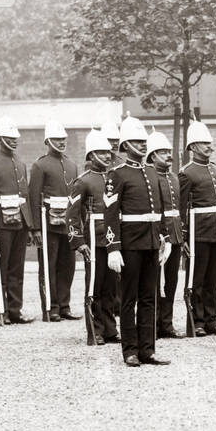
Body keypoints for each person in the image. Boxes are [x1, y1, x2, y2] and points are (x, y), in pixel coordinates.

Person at [105, 116, 170, 367]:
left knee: (148, 298)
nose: (142, 146)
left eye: (143, 142)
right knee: (129, 299)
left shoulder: (152, 172)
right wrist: (113, 247)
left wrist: (164, 239)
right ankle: (130, 351)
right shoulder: (117, 174)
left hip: (152, 243)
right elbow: (111, 212)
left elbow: (160, 211)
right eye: (136, 142)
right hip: (130, 244)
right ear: (124, 146)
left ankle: (147, 349)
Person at [0, 117, 36, 324]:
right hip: (1, 221)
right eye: (9, 137)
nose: (14, 141)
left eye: (15, 138)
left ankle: (15, 308)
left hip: (20, 221)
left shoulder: (20, 163)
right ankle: (1, 309)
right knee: (1, 266)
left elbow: (26, 196)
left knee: (17, 267)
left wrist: (30, 226)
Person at [69, 129, 120, 344]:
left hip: (113, 238)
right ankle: (95, 330)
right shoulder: (83, 181)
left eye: (108, 152)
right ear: (91, 156)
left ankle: (110, 329)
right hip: (94, 236)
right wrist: (78, 241)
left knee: (111, 287)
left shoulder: (115, 177)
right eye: (101, 152)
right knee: (94, 286)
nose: (107, 156)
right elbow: (71, 214)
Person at [179, 121, 216, 335]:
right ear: (192, 147)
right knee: (196, 278)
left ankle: (211, 319)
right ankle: (196, 320)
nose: (209, 146)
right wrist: (184, 238)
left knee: (212, 278)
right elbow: (181, 208)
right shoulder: (186, 173)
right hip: (198, 232)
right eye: (203, 143)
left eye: (209, 142)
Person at [29, 121, 79, 322]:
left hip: (68, 224)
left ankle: (65, 305)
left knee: (68, 266)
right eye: (57, 139)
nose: (61, 142)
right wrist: (35, 228)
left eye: (63, 139)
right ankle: (51, 307)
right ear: (48, 141)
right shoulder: (40, 165)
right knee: (49, 265)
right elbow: (34, 196)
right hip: (48, 223)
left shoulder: (72, 164)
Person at [146, 130, 186, 339]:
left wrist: (181, 235)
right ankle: (153, 323)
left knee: (171, 282)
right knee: (154, 282)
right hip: (158, 236)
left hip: (176, 234)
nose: (169, 155)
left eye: (169, 151)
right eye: (163, 152)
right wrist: (161, 235)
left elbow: (179, 208)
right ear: (153, 156)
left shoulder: (173, 177)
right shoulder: (150, 176)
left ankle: (167, 323)